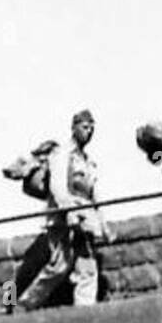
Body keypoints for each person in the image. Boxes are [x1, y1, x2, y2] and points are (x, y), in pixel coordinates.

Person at [17, 109, 114, 309]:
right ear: (74, 128)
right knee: (59, 266)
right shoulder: (62, 154)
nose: (89, 132)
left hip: (84, 219)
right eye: (85, 127)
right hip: (63, 219)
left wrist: (103, 224)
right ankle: (24, 304)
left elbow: (93, 195)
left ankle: (84, 314)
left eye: (92, 128)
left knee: (87, 268)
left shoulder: (88, 161)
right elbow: (58, 186)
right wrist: (69, 212)